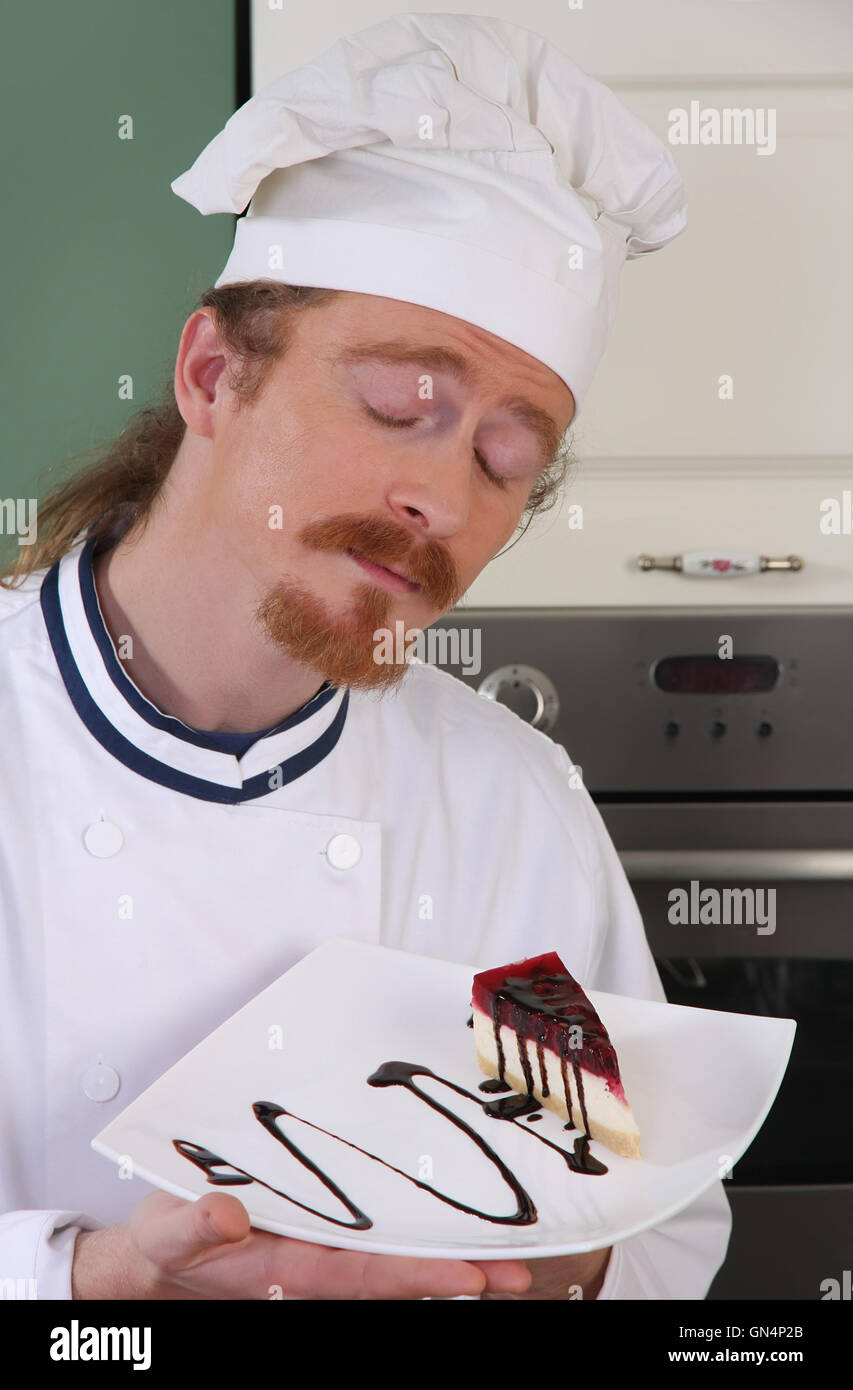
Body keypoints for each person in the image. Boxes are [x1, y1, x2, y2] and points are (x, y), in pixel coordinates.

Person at [0, 12, 731, 1300]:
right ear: (215, 374)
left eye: (509, 458)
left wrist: (525, 1274)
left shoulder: (501, 806)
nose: (445, 501)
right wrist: (94, 1286)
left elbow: (648, 1217)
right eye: (403, 404)